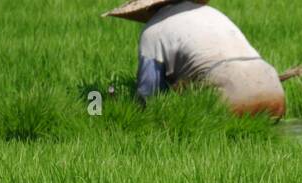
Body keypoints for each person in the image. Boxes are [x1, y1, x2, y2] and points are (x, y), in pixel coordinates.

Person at [102, 0, 290, 117]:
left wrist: (135, 113)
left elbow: (150, 92)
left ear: (147, 7)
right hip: (274, 89)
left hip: (231, 98)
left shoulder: (152, 30)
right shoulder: (213, 14)